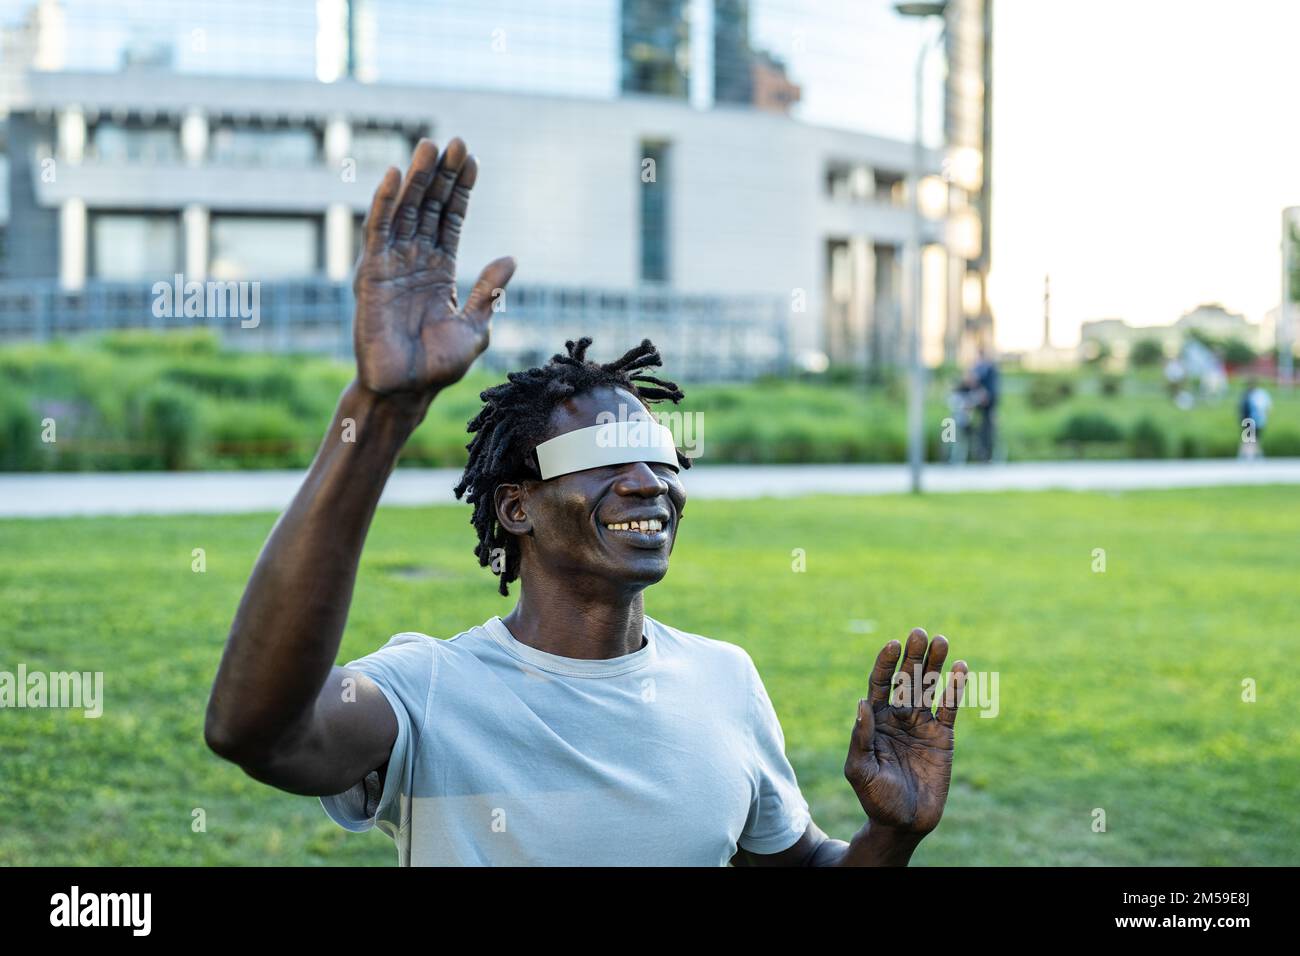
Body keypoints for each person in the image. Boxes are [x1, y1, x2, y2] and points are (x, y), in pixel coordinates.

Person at [203, 138, 969, 866]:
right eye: (601, 459)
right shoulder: (428, 688)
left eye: (662, 457)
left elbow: (798, 865)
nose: (649, 484)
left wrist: (888, 836)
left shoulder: (724, 679)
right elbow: (256, 732)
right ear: (516, 508)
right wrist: (382, 409)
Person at [972, 348, 1000, 462]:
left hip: (988, 405)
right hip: (978, 405)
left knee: (987, 429)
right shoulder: (978, 369)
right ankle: (981, 452)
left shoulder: (989, 369)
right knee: (981, 428)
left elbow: (992, 390)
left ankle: (986, 455)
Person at [1239, 378, 1272, 459]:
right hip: (1250, 420)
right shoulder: (1248, 394)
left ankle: (1250, 456)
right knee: (1251, 439)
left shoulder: (1256, 395)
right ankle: (1253, 455)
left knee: (1251, 439)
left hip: (1254, 420)